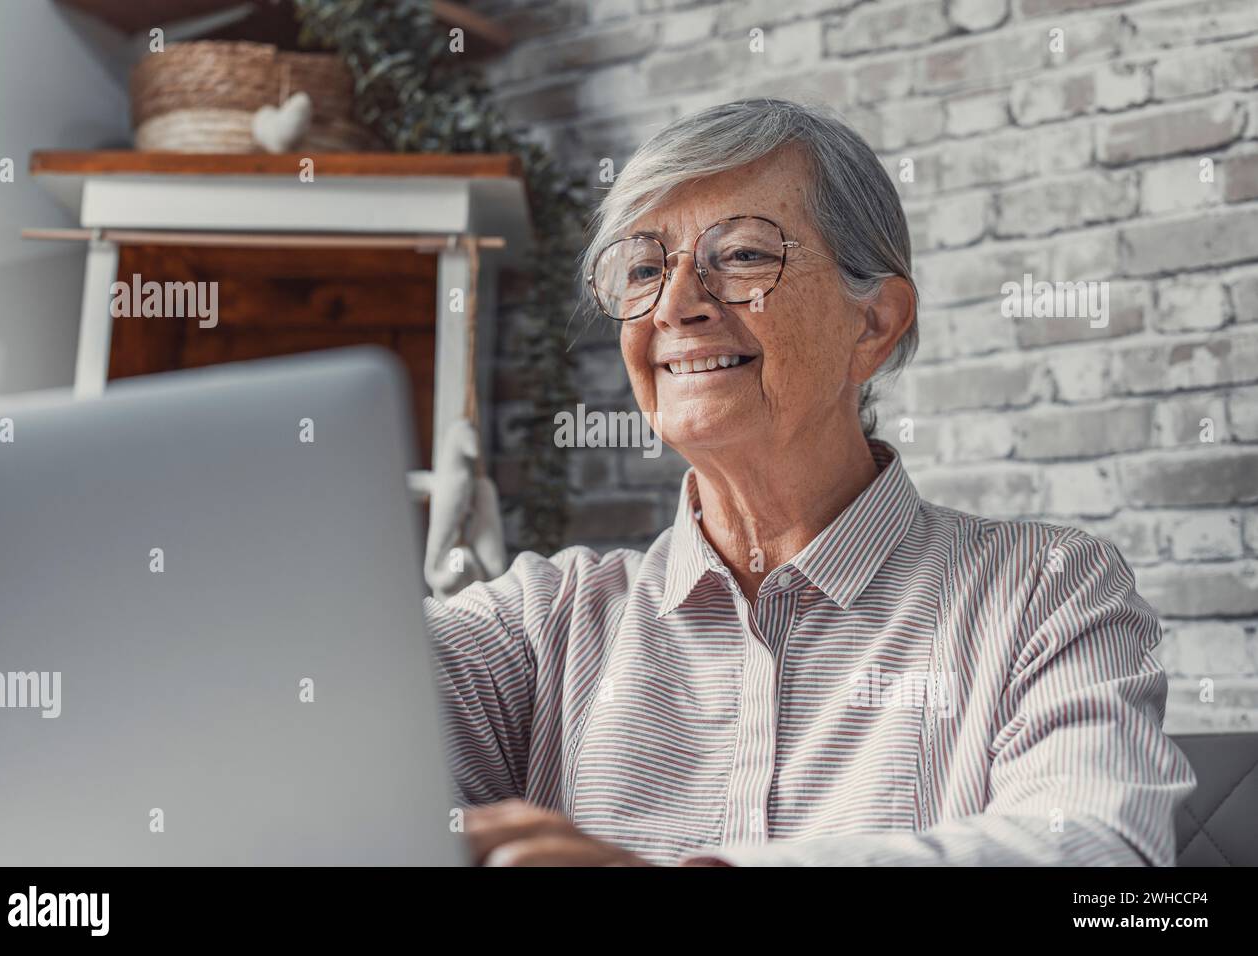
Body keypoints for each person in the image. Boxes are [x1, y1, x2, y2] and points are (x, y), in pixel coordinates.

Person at [426, 97, 1195, 866]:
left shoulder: (1046, 591)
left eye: (743, 256)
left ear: (874, 324)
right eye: (646, 268)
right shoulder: (536, 626)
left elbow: (1100, 855)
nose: (676, 305)